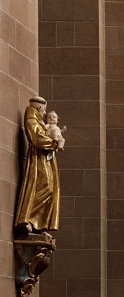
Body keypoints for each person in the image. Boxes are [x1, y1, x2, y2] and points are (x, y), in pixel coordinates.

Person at [15, 96, 62, 234]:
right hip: (38, 157)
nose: (45, 113)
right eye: (44, 110)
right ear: (40, 108)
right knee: (44, 186)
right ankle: (29, 219)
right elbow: (37, 139)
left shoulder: (38, 120)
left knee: (52, 189)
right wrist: (54, 143)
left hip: (45, 157)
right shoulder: (31, 120)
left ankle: (39, 225)